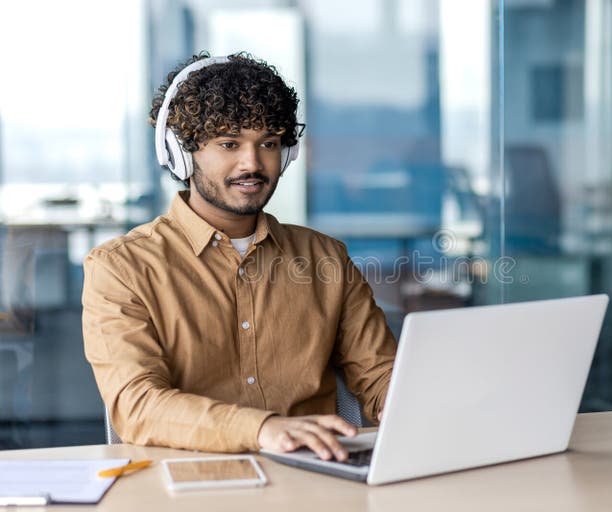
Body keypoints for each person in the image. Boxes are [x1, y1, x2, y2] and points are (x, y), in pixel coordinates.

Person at [82, 52, 397, 461]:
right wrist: (263, 429)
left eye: (268, 143)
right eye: (229, 144)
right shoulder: (121, 268)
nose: (253, 163)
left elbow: (380, 375)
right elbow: (137, 404)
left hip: (315, 477)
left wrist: (409, 406)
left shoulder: (326, 258)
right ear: (181, 154)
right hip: (185, 484)